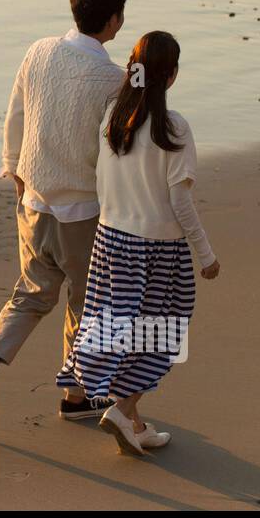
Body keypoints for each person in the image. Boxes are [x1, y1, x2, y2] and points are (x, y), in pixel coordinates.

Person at [0, 0, 126, 438]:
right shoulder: (112, 80)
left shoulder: (38, 51)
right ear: (113, 20)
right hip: (83, 209)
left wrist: (12, 166)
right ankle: (77, 395)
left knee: (31, 294)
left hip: (33, 198)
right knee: (87, 300)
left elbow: (16, 111)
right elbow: (113, 151)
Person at [56, 30, 220, 455]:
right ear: (171, 76)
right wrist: (206, 255)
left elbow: (100, 178)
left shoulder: (113, 115)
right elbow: (180, 201)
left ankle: (129, 419)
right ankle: (123, 407)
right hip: (158, 249)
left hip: (110, 243)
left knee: (112, 327)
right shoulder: (173, 127)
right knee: (160, 334)